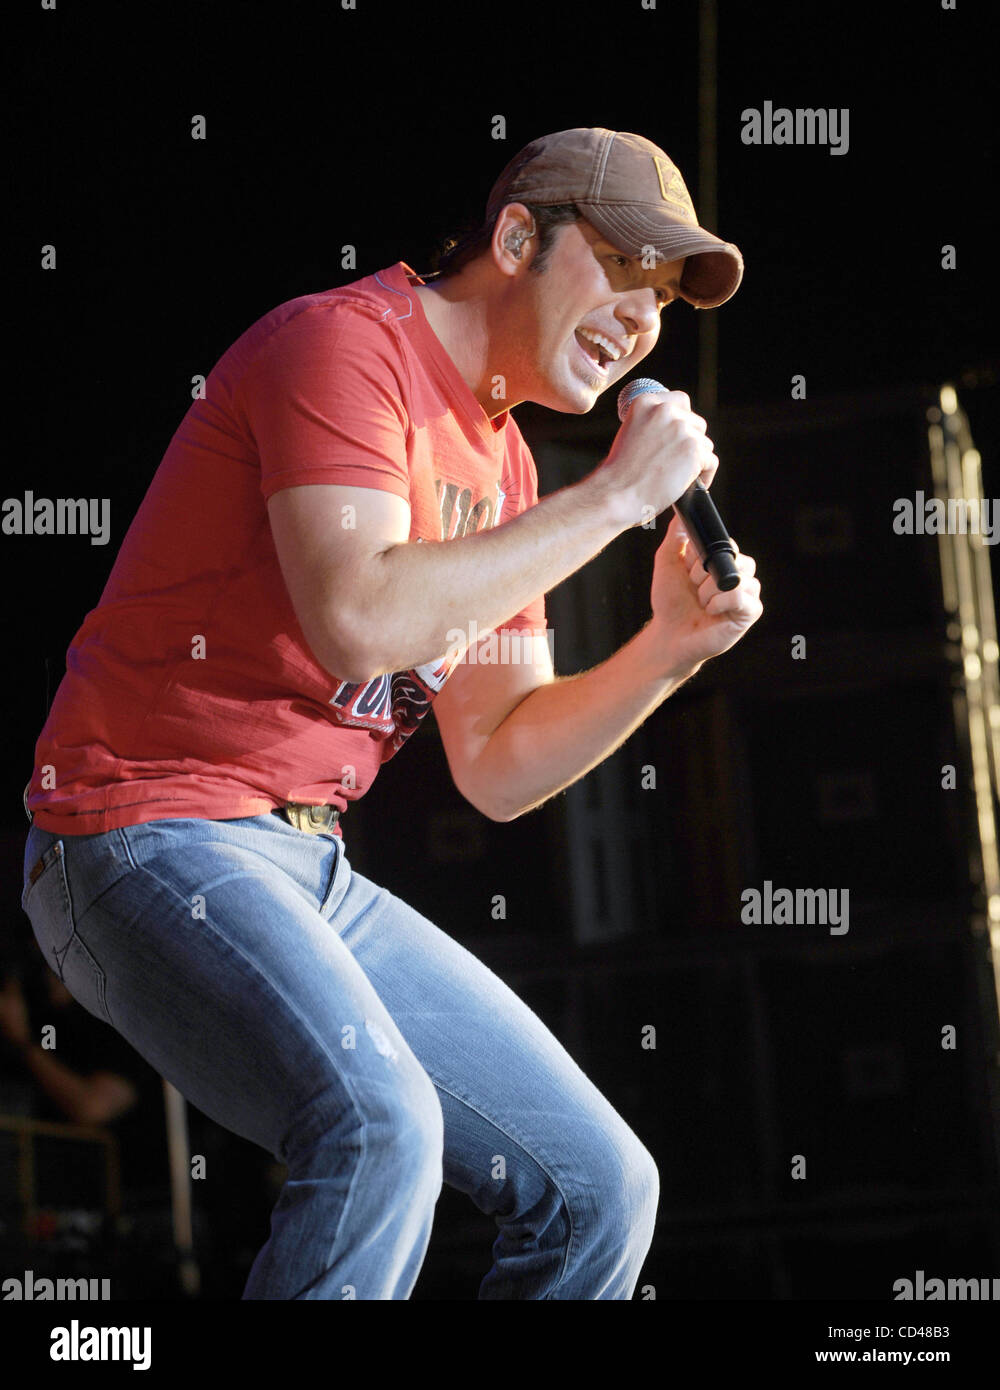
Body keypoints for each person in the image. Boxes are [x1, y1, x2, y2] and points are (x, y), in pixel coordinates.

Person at [20, 127, 762, 1299]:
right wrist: (618, 495)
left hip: (309, 865)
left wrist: (667, 649)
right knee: (381, 1127)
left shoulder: (510, 472)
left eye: (664, 298)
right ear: (518, 236)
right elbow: (361, 618)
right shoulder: (341, 348)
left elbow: (499, 763)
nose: (642, 319)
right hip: (138, 831)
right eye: (624, 268)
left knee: (602, 1186)